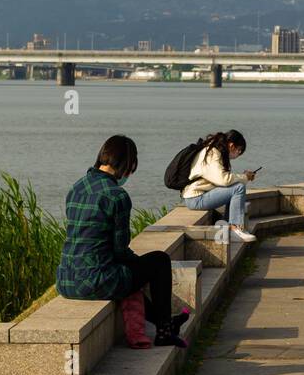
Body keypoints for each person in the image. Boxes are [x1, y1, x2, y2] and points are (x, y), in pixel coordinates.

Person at [57, 135, 187, 349]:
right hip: (95, 282)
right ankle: (164, 331)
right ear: (128, 165)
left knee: (129, 276)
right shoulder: (117, 195)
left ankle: (167, 324)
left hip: (66, 280)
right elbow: (120, 249)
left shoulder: (77, 187)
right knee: (159, 261)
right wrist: (136, 263)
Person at [182, 129, 258, 242]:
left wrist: (242, 177)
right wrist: (245, 177)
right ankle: (235, 228)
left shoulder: (215, 151)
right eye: (239, 150)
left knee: (234, 186)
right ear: (232, 145)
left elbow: (223, 179)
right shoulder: (212, 153)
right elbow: (223, 180)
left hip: (199, 195)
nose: (238, 154)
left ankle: (230, 227)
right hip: (196, 198)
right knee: (238, 188)